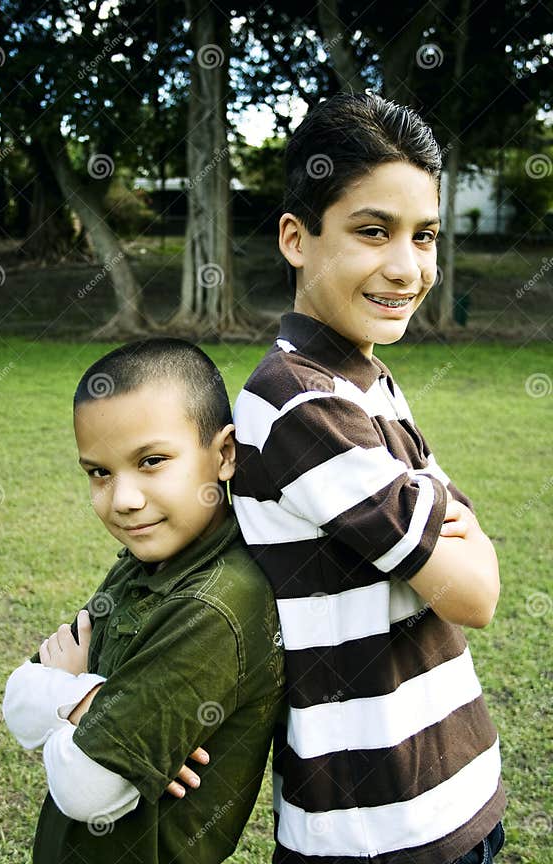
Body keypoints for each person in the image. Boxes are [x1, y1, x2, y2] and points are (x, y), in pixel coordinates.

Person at [232, 92, 506, 864]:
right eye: (372, 231)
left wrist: (456, 529)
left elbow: (459, 545)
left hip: (455, 794)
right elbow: (476, 593)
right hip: (379, 827)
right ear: (296, 237)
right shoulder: (299, 403)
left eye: (424, 236)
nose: (407, 267)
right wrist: (457, 527)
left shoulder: (363, 378)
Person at [3, 338, 285, 864]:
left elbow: (87, 788)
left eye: (152, 461)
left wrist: (66, 699)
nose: (124, 501)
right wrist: (92, 703)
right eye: (99, 472)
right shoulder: (145, 563)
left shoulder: (216, 605)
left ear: (224, 454)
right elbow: (17, 702)